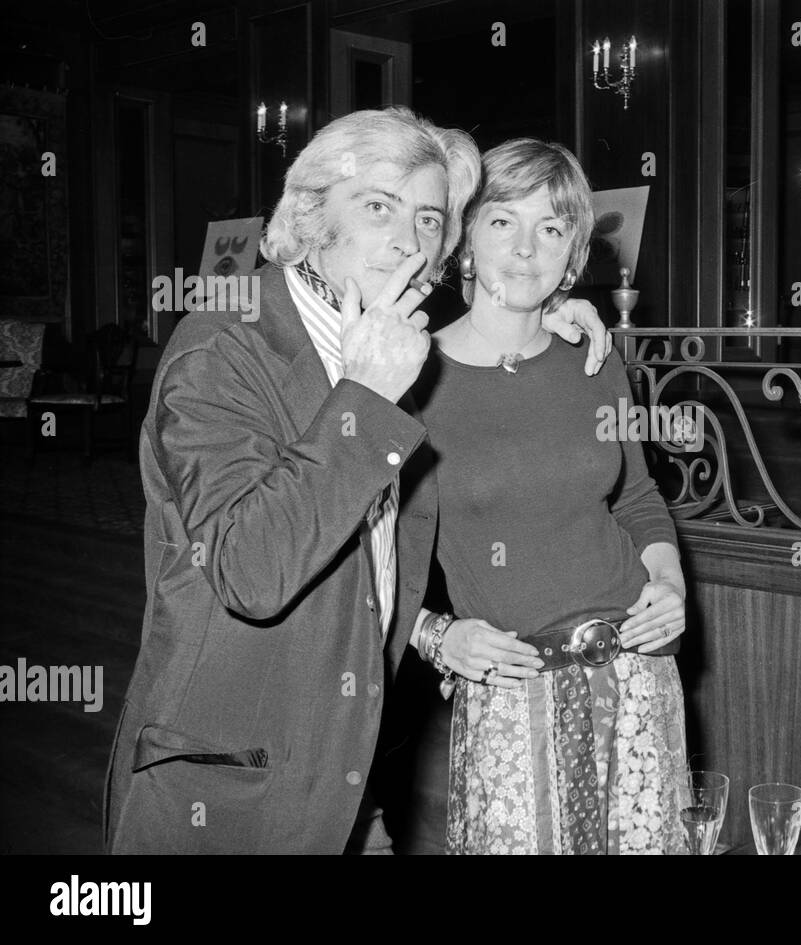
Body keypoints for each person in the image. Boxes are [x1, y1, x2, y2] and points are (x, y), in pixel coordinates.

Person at [103, 108, 610, 854]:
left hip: (349, 773)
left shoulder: (391, 347)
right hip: (232, 789)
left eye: (430, 219)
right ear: (310, 213)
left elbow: (380, 560)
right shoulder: (226, 345)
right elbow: (252, 570)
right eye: (380, 206)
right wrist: (366, 398)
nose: (408, 238)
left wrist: (545, 321)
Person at [413, 138, 690, 855]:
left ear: (573, 257)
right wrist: (438, 635)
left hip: (636, 673)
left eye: (553, 228)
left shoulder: (596, 359)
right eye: (503, 220)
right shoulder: (409, 379)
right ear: (465, 240)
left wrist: (667, 580)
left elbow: (636, 498)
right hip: (510, 687)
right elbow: (366, 557)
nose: (527, 248)